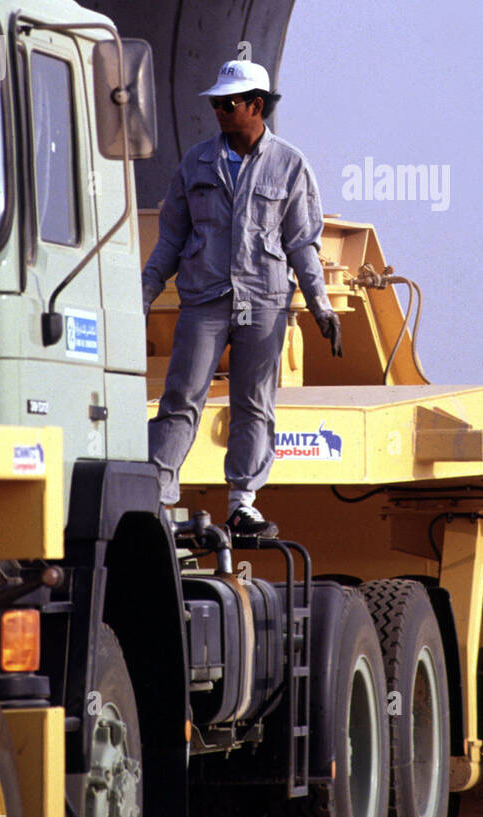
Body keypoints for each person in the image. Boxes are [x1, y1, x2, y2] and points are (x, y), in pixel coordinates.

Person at [141, 58, 342, 539]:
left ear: (257, 106)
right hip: (205, 300)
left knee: (254, 404)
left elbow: (301, 243)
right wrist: (142, 294)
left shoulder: (290, 165)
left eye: (229, 103)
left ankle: (243, 503)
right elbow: (171, 238)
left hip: (265, 301)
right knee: (180, 397)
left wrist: (321, 305)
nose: (220, 110)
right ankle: (155, 496)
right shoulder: (196, 163)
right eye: (216, 103)